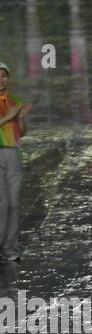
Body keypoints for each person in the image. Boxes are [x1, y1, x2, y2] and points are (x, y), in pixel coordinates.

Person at [0, 62, 32, 262]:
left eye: (4, 75)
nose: (1, 79)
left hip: (12, 152)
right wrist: (8, 117)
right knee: (1, 203)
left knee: (13, 204)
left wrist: (20, 117)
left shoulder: (14, 100)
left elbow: (23, 131)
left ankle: (10, 249)